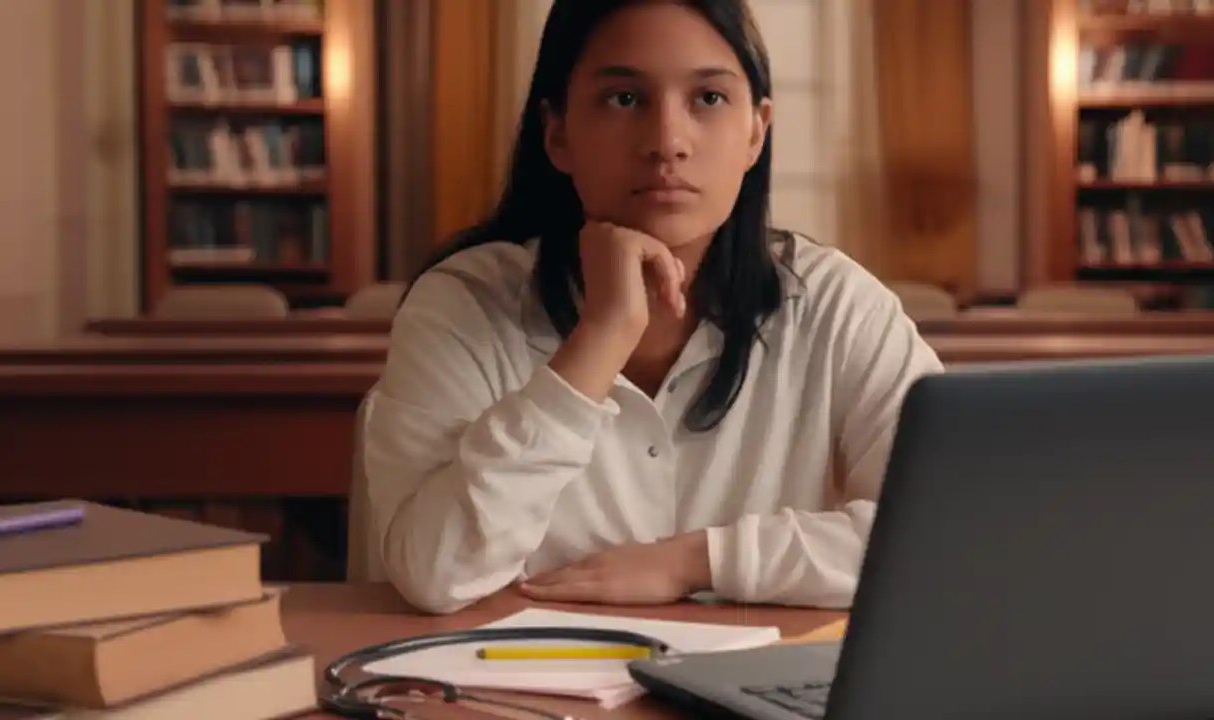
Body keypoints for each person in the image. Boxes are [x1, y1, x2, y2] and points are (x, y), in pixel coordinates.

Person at [361, 0, 943, 615]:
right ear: (557, 132)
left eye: (709, 99)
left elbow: (948, 533)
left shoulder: (835, 305)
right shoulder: (462, 305)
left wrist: (698, 561)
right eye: (624, 99)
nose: (667, 142)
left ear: (756, 131)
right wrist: (600, 339)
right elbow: (436, 573)